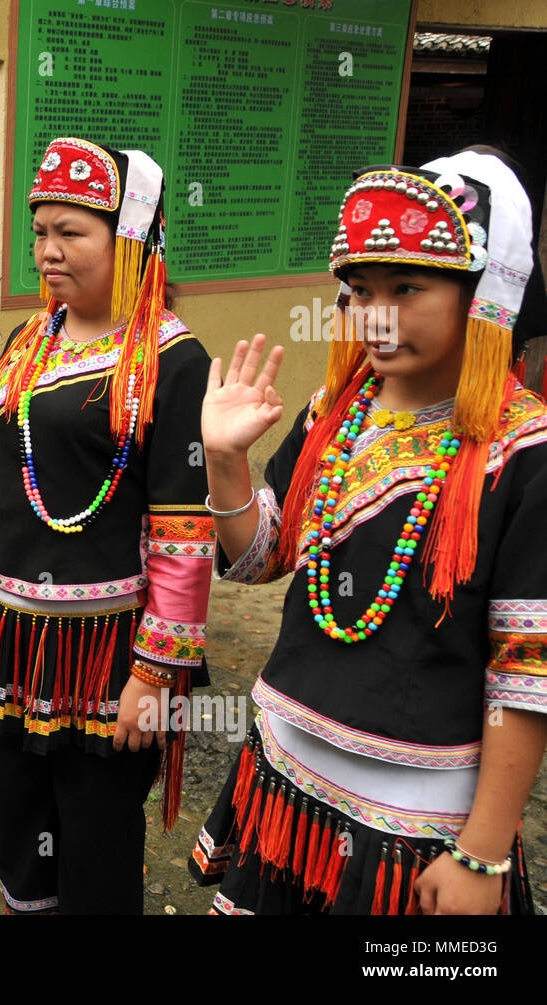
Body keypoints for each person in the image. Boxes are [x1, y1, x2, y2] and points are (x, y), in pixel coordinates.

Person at [190, 149, 547, 914]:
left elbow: (526, 676)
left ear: (483, 295)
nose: (374, 314)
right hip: (282, 780)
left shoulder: (525, 453)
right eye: (359, 291)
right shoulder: (338, 412)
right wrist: (226, 463)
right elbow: (257, 559)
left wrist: (482, 854)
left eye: (407, 287)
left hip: (417, 824)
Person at [0, 138, 215, 913]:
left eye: (71, 233)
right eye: (41, 232)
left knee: (96, 831)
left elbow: (185, 535)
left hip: (109, 649)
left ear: (131, 239)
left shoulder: (172, 363)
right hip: (10, 636)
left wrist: (153, 674)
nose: (48, 252)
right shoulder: (27, 343)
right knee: (21, 817)